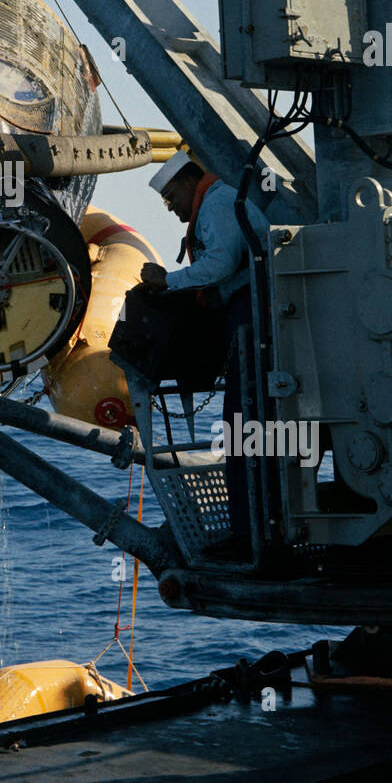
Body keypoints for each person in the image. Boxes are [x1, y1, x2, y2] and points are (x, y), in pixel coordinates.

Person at [126, 152, 268, 556]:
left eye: (173, 198)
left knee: (243, 431)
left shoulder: (220, 204)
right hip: (246, 319)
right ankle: (254, 529)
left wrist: (165, 282)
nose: (172, 209)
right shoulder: (219, 203)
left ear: (191, 183)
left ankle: (248, 536)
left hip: (251, 319)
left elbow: (220, 265)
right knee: (244, 430)